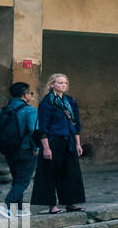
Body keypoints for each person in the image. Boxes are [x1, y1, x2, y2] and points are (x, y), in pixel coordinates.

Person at [33, 73, 86, 214]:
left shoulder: (70, 102)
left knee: (70, 172)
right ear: (51, 85)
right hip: (52, 141)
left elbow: (75, 125)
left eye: (65, 83)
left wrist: (78, 144)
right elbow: (42, 127)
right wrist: (46, 148)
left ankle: (71, 203)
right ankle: (52, 206)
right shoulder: (47, 103)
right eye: (60, 82)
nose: (63, 85)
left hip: (68, 141)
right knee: (50, 174)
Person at [0, 82, 39, 218]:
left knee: (17, 179)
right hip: (26, 150)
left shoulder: (5, 109)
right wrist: (37, 147)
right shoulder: (30, 110)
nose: (31, 96)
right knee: (23, 181)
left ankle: (19, 209)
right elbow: (34, 130)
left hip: (10, 150)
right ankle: (6, 205)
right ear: (25, 94)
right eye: (30, 93)